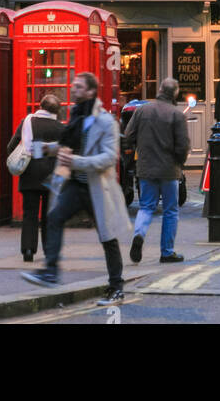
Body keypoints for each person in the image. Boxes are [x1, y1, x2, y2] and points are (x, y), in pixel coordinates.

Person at [22, 73, 131, 306]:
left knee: (107, 237)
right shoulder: (76, 115)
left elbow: (109, 158)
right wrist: (46, 149)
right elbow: (67, 145)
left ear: (91, 91)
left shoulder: (105, 121)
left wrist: (77, 162)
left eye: (79, 87)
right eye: (74, 85)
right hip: (75, 184)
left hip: (96, 188)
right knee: (54, 218)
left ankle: (116, 287)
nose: (74, 89)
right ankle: (51, 271)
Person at [124, 77, 190, 264]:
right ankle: (167, 252)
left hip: (145, 167)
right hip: (169, 170)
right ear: (175, 93)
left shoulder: (142, 110)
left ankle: (139, 235)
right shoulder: (176, 115)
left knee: (146, 206)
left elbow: (128, 135)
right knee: (170, 210)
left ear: (160, 90)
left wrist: (139, 150)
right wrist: (180, 162)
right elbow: (183, 145)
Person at [10, 93, 64, 263]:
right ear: (57, 111)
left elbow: (11, 145)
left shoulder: (27, 122)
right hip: (50, 177)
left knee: (29, 214)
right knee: (49, 216)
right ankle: (49, 252)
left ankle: (28, 250)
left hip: (30, 174)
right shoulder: (60, 128)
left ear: (40, 106)